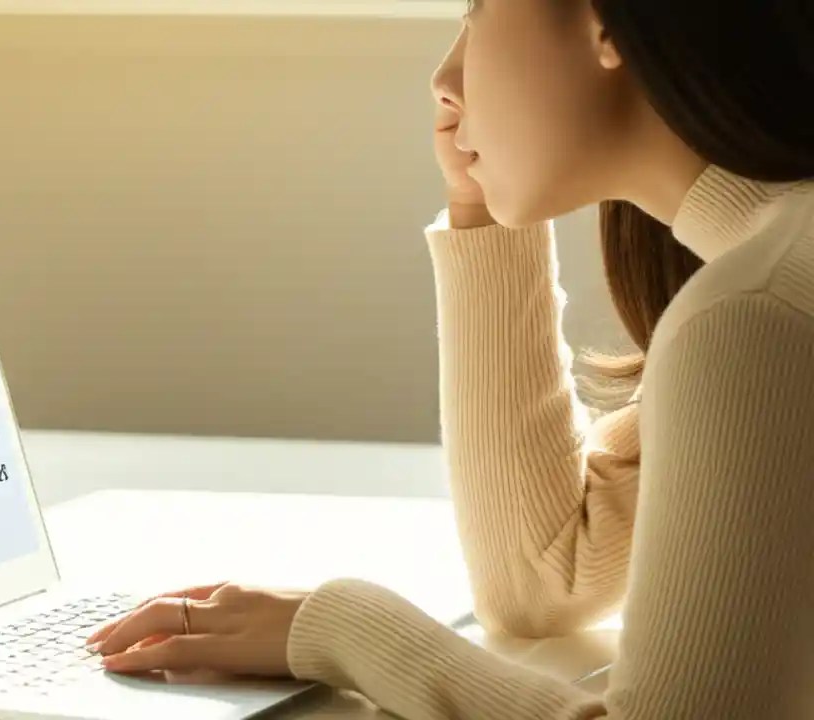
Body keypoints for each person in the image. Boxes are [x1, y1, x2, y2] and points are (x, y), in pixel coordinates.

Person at [85, 0, 814, 717]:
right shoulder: (774, 283)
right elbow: (543, 579)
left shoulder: (762, 313)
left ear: (607, 25)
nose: (445, 75)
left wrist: (347, 628)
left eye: (478, 7)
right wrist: (483, 208)